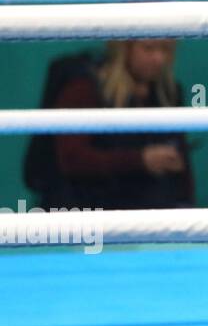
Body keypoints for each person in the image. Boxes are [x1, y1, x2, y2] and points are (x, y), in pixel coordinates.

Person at [35, 40, 193, 211]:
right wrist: (140, 160)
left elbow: (182, 168)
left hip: (149, 216)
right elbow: (71, 158)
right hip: (89, 216)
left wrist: (186, 208)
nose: (159, 58)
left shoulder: (168, 94)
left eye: (166, 50)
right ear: (123, 48)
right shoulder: (83, 87)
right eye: (149, 49)